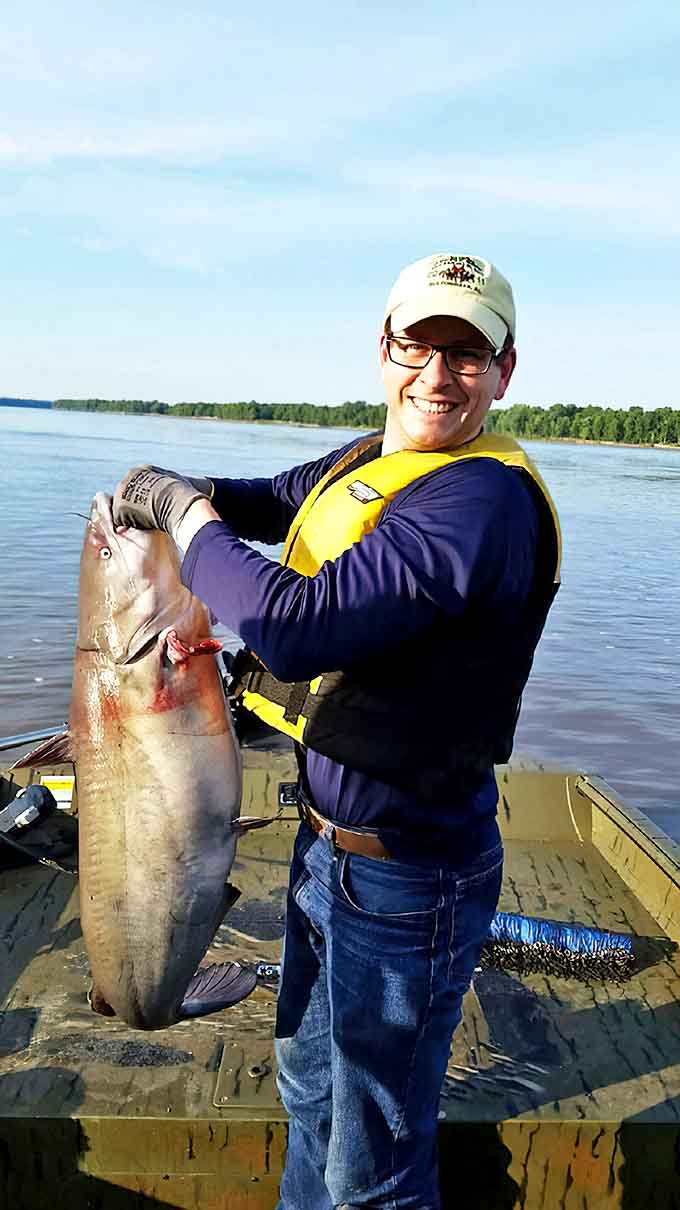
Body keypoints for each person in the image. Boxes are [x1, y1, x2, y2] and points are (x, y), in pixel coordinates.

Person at [113, 252, 561, 1210]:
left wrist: (185, 519)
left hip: (410, 880)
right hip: (326, 856)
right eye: (418, 346)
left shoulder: (479, 505)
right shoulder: (375, 456)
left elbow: (293, 625)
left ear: (505, 372)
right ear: (384, 348)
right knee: (312, 1095)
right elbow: (274, 502)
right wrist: (177, 493)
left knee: (374, 1169)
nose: (436, 376)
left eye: (467, 355)